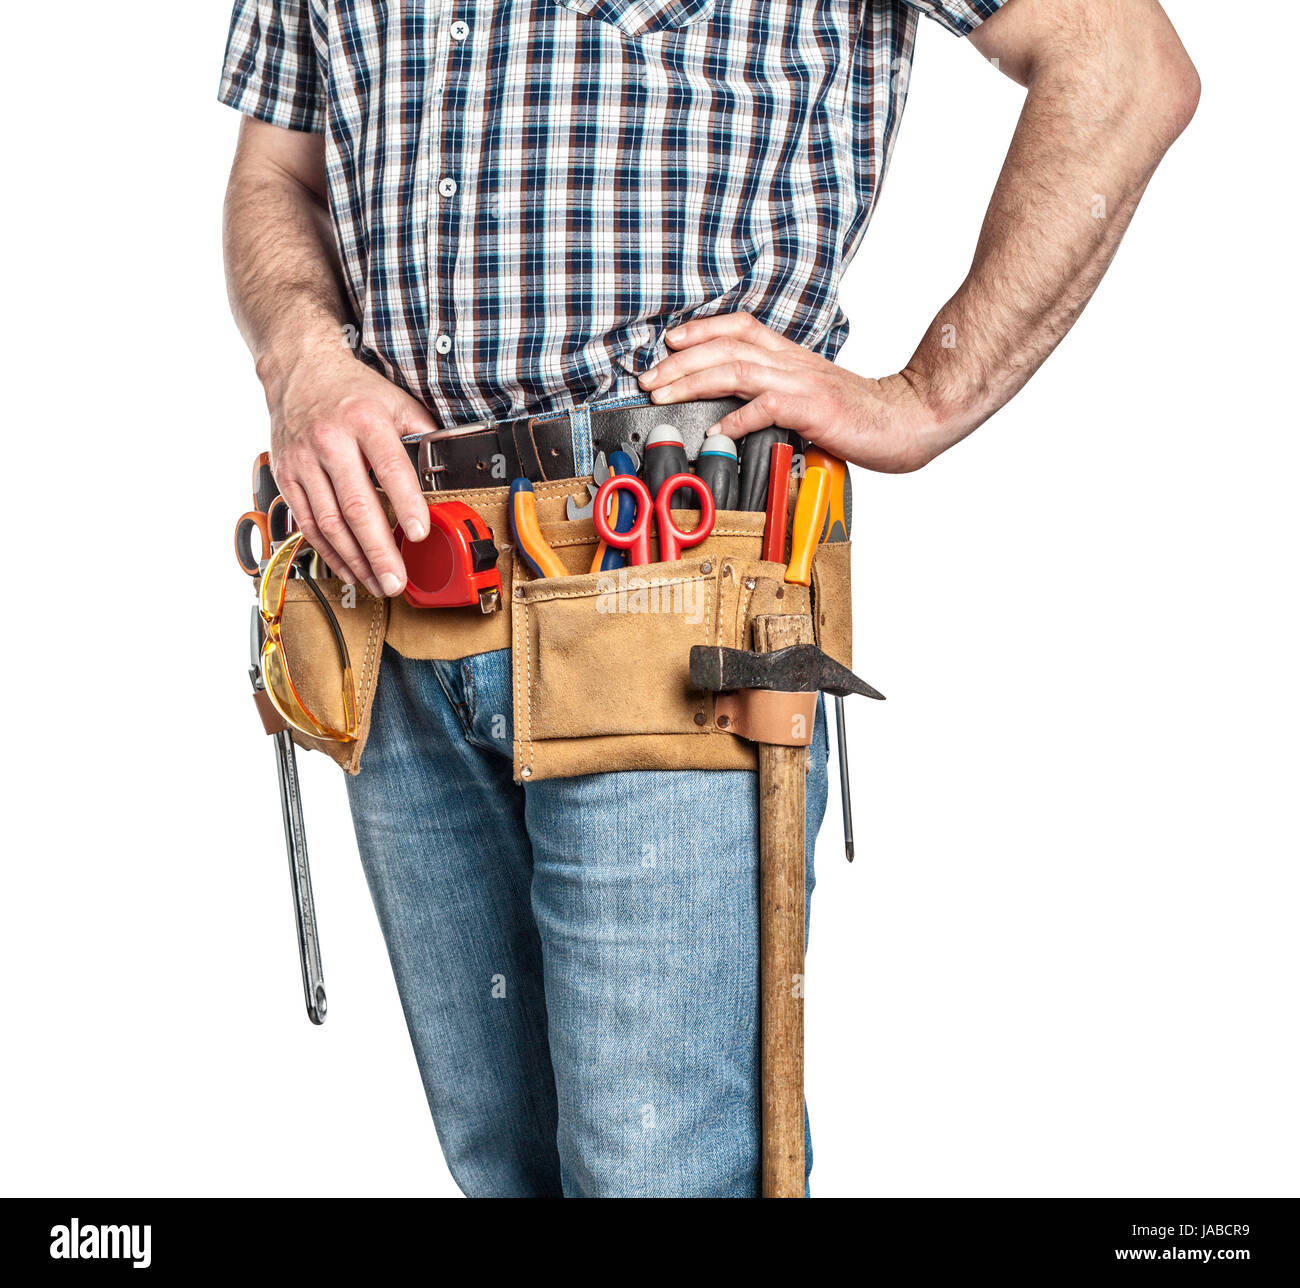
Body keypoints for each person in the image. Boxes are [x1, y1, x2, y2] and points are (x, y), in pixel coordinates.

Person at [221, 0, 1197, 1197]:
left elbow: (1123, 65)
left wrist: (923, 400)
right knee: (502, 1173)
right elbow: (279, 171)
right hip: (389, 592)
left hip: (673, 593)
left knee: (660, 1175)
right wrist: (302, 354)